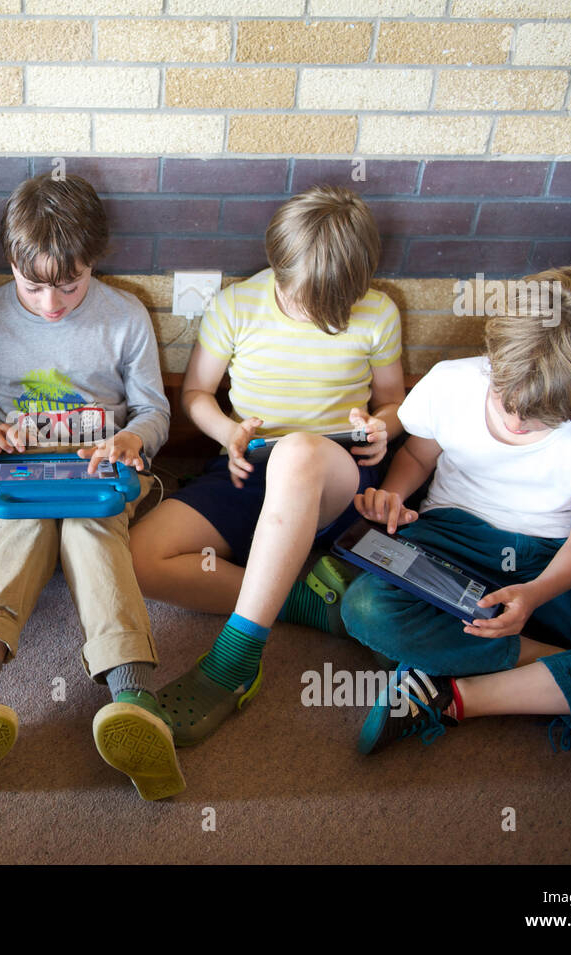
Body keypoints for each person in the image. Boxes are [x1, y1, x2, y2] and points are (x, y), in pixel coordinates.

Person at [342, 265, 571, 775]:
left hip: (555, 563)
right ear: (495, 358)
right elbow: (418, 457)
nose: (515, 422)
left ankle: (457, 695)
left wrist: (534, 594)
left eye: (540, 417)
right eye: (506, 401)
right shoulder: (452, 382)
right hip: (449, 538)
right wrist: (394, 494)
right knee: (367, 605)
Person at [0, 173, 184, 800]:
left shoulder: (124, 314)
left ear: (94, 261)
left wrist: (133, 440)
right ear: (10, 263)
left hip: (103, 468)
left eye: (70, 284)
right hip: (21, 471)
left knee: (93, 530)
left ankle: (134, 700)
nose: (51, 303)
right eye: (33, 285)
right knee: (22, 527)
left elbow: (154, 410)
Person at [129, 186, 404, 745]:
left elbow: (394, 401)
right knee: (136, 558)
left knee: (298, 449)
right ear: (278, 268)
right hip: (248, 470)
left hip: (334, 478)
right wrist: (226, 431)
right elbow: (197, 393)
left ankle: (236, 658)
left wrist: (384, 427)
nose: (314, 315)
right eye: (303, 301)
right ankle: (307, 602)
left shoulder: (378, 312)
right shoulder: (236, 306)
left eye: (331, 307)